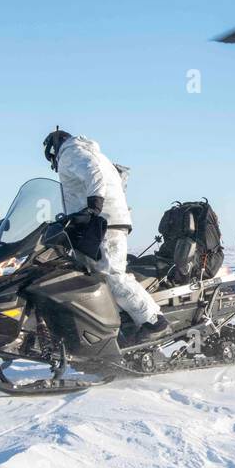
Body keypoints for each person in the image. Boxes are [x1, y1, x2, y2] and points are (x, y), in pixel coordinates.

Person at [43, 128, 167, 335]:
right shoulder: (92, 153)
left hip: (103, 222)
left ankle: (154, 321)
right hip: (98, 222)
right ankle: (113, 327)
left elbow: (93, 172)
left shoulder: (70, 152)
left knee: (111, 275)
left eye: (51, 157)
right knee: (88, 276)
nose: (53, 162)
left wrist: (95, 203)